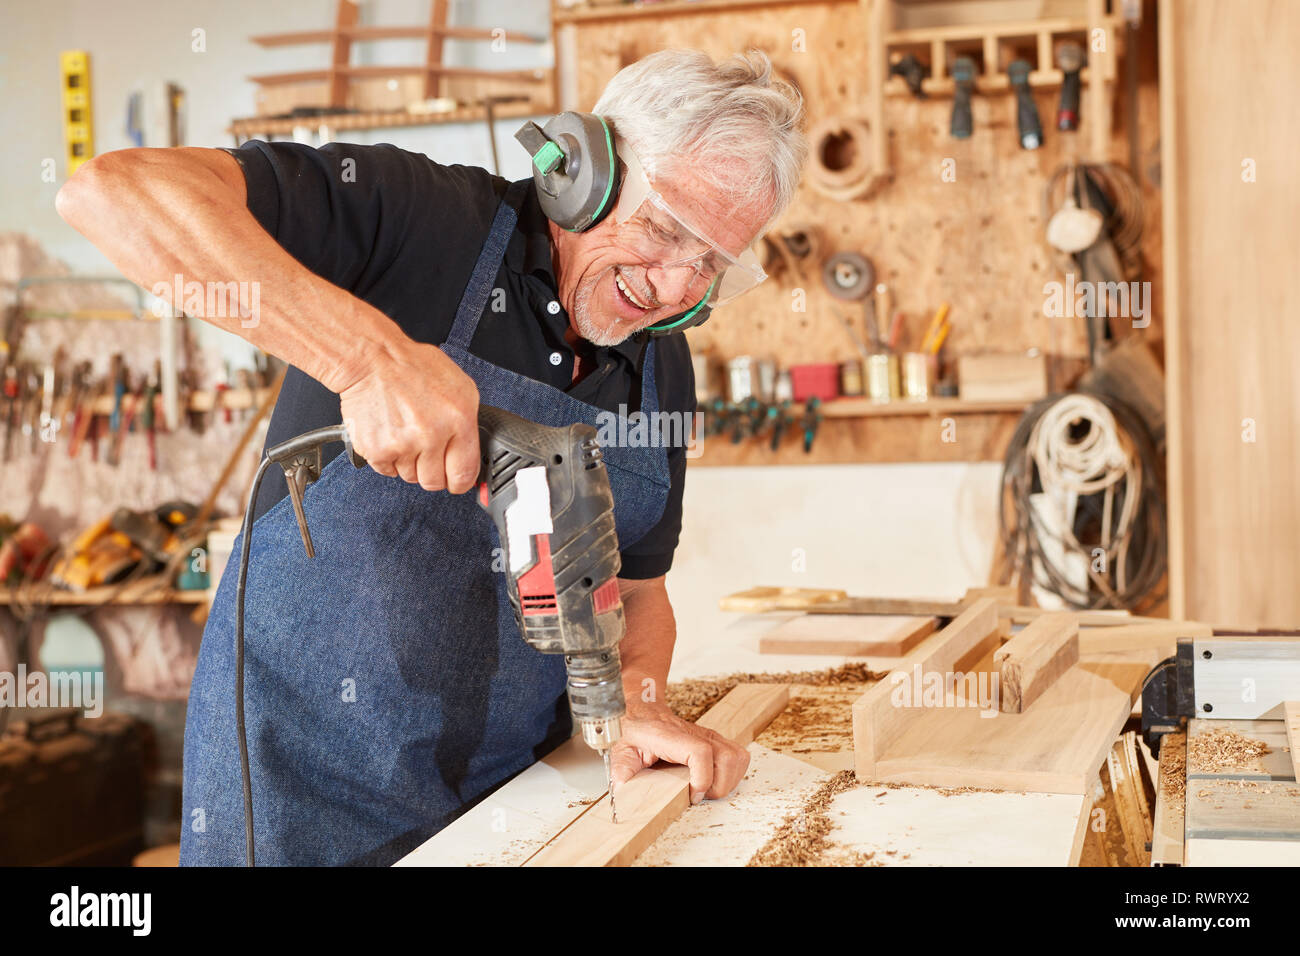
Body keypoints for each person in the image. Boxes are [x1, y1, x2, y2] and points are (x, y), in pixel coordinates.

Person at [57, 48, 805, 865]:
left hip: (519, 809)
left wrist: (638, 703)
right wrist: (367, 360)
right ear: (582, 168)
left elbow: (638, 592)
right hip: (297, 798)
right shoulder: (420, 221)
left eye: (709, 265)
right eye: (662, 231)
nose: (671, 288)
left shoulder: (660, 367)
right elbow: (111, 192)